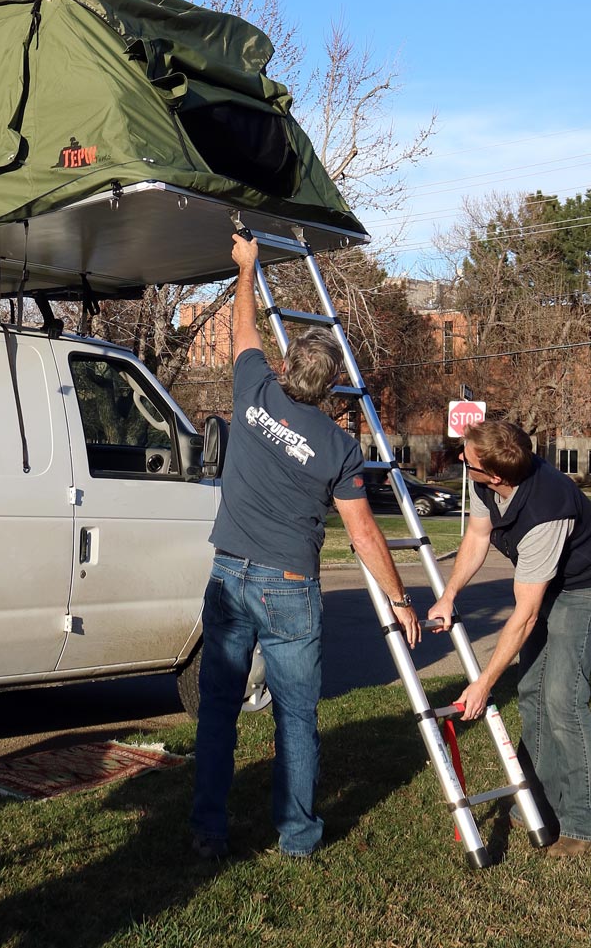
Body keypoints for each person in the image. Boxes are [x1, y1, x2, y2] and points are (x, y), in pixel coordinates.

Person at [190, 231, 420, 860]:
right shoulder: (340, 447)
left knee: (218, 709)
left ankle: (208, 830)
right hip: (289, 586)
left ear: (287, 369)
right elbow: (364, 532)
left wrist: (246, 269)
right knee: (295, 715)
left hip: (229, 574)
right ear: (331, 390)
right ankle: (296, 837)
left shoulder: (254, 390)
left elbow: (243, 330)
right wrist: (399, 599)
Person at [427, 419, 591, 857]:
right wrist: (448, 595)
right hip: (546, 586)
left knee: (563, 698)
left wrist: (483, 683)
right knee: (532, 691)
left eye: (469, 459)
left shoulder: (546, 508)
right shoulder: (486, 485)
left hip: (581, 590)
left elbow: (525, 615)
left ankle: (580, 820)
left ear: (495, 474)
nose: (461, 459)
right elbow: (478, 537)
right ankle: (533, 801)